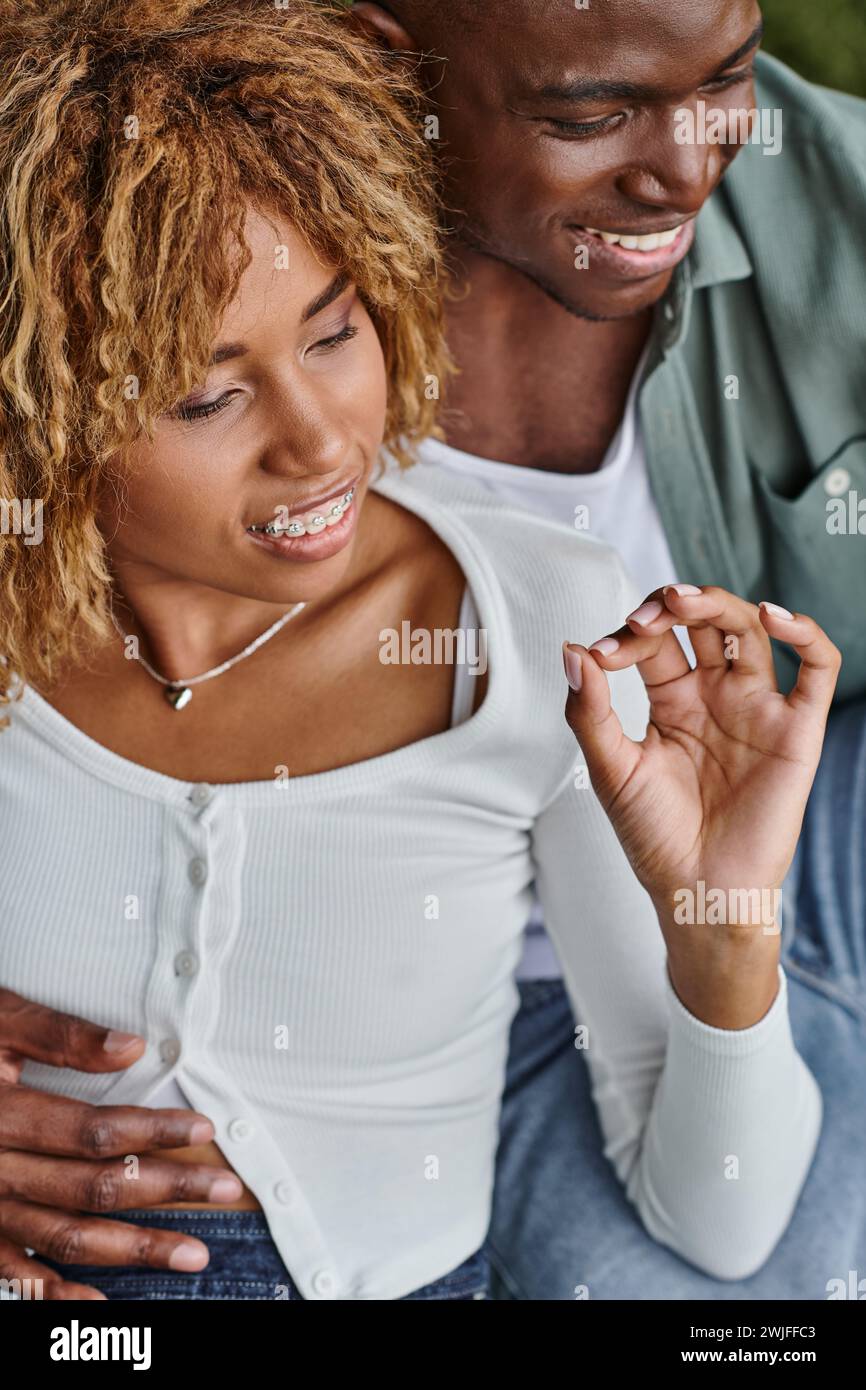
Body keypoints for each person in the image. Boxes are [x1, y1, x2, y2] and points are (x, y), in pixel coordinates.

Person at [0, 0, 841, 1302]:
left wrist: (721, 927)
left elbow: (720, 1225)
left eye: (335, 331)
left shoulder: (540, 618)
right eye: (202, 394)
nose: (323, 442)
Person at [348, 0, 866, 1298]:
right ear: (377, 59)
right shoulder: (156, 293)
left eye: (727, 79)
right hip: (466, 997)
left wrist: (733, 929)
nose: (689, 167)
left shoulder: (834, 205)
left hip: (794, 851)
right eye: (591, 115)